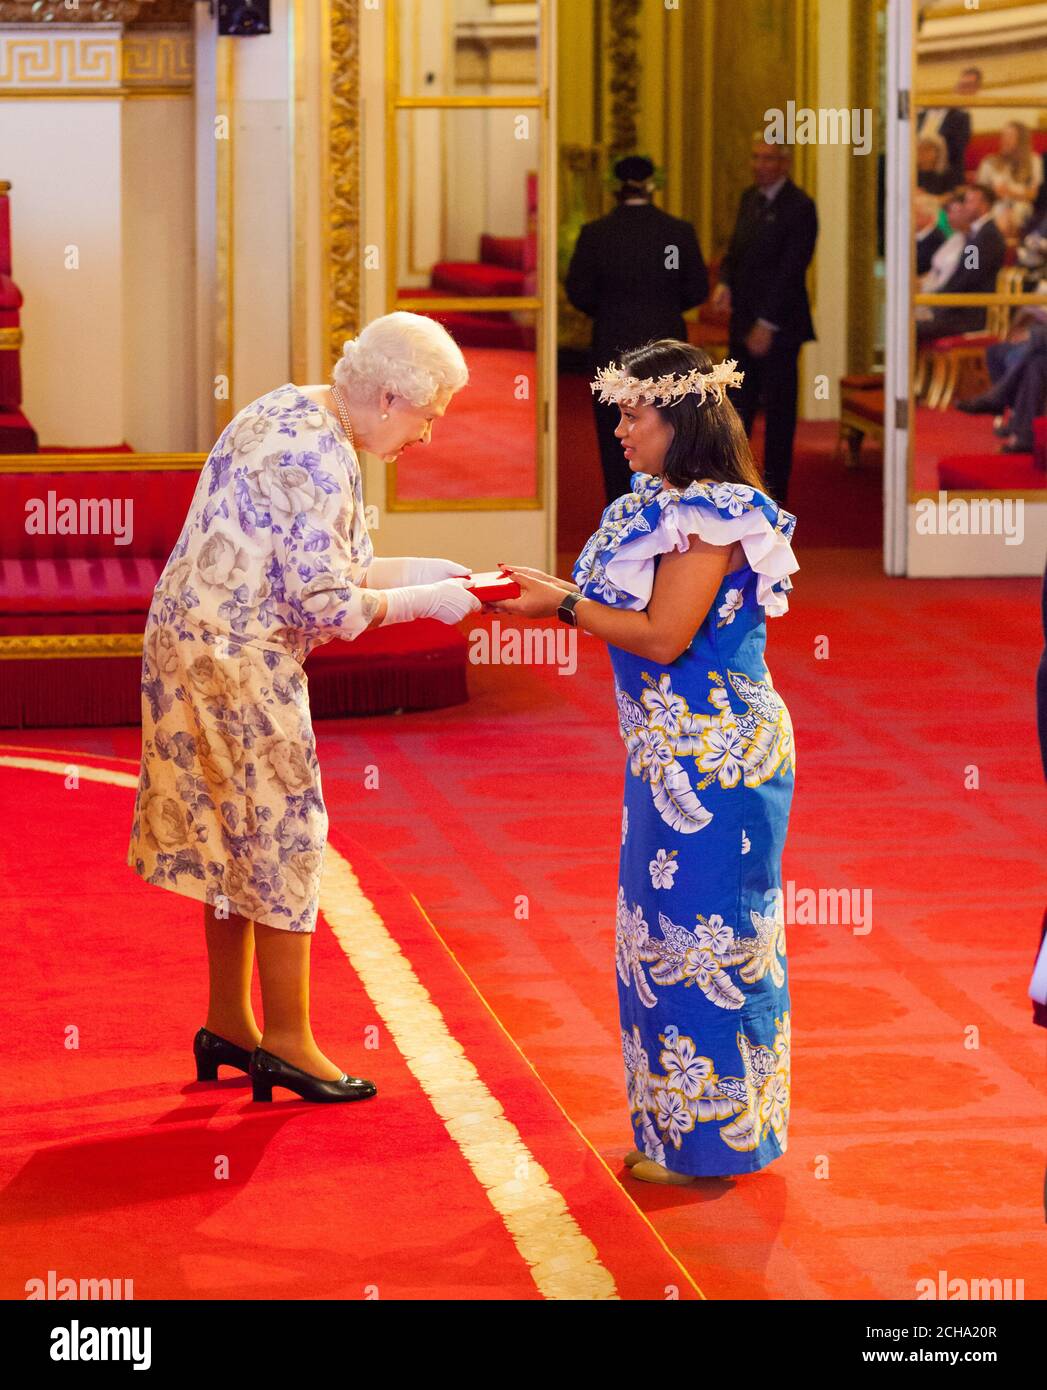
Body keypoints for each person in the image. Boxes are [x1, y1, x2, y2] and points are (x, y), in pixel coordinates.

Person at [127, 311, 482, 1103]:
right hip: (236, 656)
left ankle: (229, 1023)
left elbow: (339, 563)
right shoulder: (318, 453)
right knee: (286, 831)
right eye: (427, 418)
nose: (427, 437)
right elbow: (327, 605)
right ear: (389, 397)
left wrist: (437, 572)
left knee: (227, 833)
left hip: (190, 640)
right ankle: (286, 1041)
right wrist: (431, 600)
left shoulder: (295, 408)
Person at [494, 340, 799, 1185]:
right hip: (668, 754)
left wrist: (559, 603)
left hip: (719, 758)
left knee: (706, 942)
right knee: (657, 935)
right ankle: (677, 1132)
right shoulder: (666, 504)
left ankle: (717, 1142)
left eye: (635, 412)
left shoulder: (716, 515)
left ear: (682, 417)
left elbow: (664, 637)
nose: (619, 426)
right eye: (619, 408)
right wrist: (552, 595)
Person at [565, 155, 709, 505]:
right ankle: (671, 504)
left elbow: (577, 291)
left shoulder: (596, 233)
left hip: (612, 346)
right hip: (668, 349)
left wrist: (611, 310)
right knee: (671, 425)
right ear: (653, 185)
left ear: (615, 187)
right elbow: (697, 289)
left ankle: (621, 507)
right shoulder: (677, 232)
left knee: (619, 431)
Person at [712, 137, 818, 504]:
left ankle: (775, 497)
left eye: (769, 158)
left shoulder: (801, 206)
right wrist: (725, 282)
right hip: (742, 322)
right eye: (756, 157)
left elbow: (791, 270)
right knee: (737, 410)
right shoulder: (749, 198)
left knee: (778, 415)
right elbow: (735, 249)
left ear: (785, 163)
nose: (760, 164)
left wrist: (766, 324)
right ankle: (738, 487)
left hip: (780, 329)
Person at [915, 183, 1005, 340]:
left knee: (913, 330)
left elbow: (970, 277)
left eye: (971, 201)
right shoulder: (977, 234)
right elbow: (965, 272)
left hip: (969, 313)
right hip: (958, 306)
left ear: (984, 205)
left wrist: (940, 298)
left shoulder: (987, 236)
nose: (966, 206)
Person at [974, 120, 1043, 237]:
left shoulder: (1033, 160)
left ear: (1021, 140)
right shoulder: (989, 162)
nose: (1004, 140)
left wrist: (1009, 193)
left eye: (1010, 136)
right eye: (1004, 136)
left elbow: (1033, 194)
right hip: (994, 207)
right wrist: (994, 194)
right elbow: (979, 193)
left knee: (1015, 212)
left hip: (1022, 208)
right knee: (1000, 211)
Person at [917, 66, 979, 187]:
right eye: (962, 85)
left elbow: (957, 152)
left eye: (968, 86)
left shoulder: (962, 117)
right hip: (917, 174)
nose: (963, 90)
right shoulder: (922, 113)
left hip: (945, 178)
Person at [914, 189, 947, 276]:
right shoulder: (912, 237)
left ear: (930, 218)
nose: (911, 218)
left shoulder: (938, 240)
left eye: (917, 214)